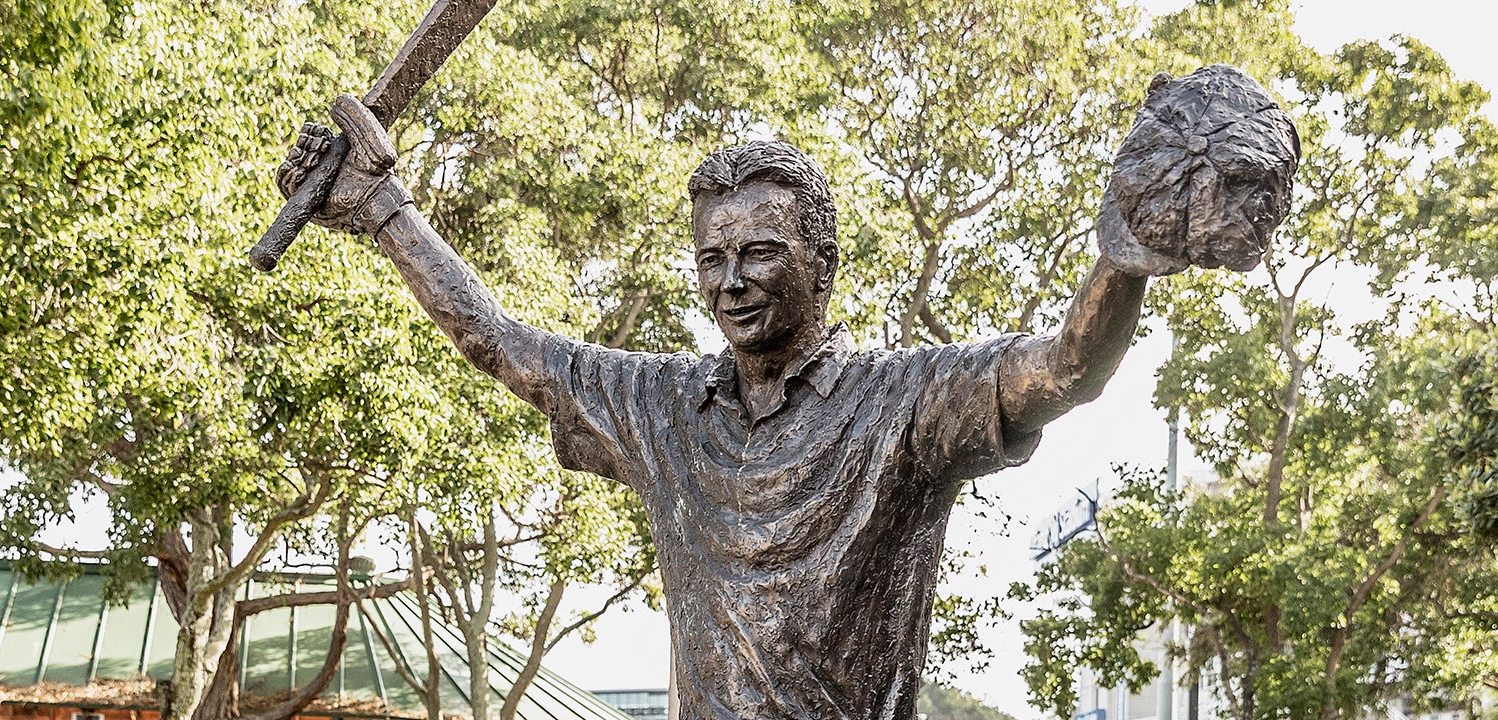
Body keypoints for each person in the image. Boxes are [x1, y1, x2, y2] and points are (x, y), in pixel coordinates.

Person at [276, 93, 1275, 720]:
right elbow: (505, 345)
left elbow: (1065, 369)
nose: (731, 281)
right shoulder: (664, 405)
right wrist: (382, 214)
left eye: (759, 253)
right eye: (711, 260)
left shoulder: (903, 403)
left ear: (822, 263)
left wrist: (1128, 247)